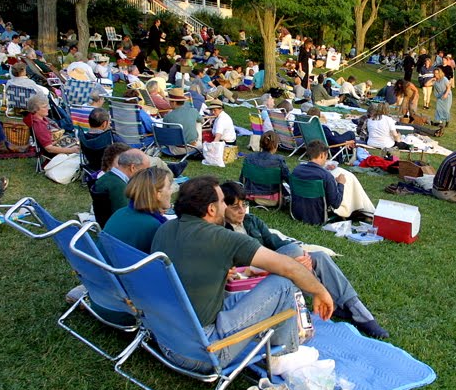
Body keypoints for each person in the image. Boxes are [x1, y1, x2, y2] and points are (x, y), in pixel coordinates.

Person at [149, 175, 334, 373]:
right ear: (211, 209)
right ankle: (284, 355)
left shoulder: (164, 229)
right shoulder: (222, 238)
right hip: (204, 353)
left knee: (274, 270)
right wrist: (319, 291)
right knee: (283, 283)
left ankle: (283, 344)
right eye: (222, 201)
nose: (224, 206)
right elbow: (287, 268)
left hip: (165, 338)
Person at [220, 181, 388, 338]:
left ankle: (356, 308)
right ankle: (331, 302)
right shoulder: (221, 231)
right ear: (222, 207)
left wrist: (302, 255)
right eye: (235, 207)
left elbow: (276, 242)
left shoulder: (252, 222)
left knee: (318, 257)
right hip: (252, 273)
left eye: (244, 204)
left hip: (278, 264)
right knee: (294, 252)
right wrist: (293, 256)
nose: (242, 210)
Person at [291, 140, 374, 224]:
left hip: (297, 212)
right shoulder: (326, 176)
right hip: (317, 216)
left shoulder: (296, 170)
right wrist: (341, 183)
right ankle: (364, 210)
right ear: (322, 155)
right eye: (326, 157)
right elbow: (336, 203)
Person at [103, 166, 173, 251]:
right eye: (169, 187)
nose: (171, 191)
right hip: (128, 264)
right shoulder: (154, 226)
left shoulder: (120, 213)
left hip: (102, 262)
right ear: (157, 194)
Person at [93, 147, 148, 214]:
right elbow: (126, 216)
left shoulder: (106, 177)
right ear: (132, 168)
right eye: (144, 171)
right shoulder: (119, 187)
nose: (146, 175)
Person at [24, 94, 78, 158]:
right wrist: (71, 150)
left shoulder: (40, 119)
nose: (48, 109)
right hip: (55, 152)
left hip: (58, 142)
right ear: (36, 110)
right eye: (44, 107)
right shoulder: (39, 125)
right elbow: (49, 148)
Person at [241, 130, 290, 199]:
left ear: (261, 143)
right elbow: (288, 179)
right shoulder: (279, 160)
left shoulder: (249, 157)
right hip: (272, 196)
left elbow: (242, 179)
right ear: (275, 145)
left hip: (250, 194)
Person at [162, 87, 201, 153]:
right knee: (198, 122)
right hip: (193, 148)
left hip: (177, 149)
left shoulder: (168, 116)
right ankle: (197, 141)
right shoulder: (193, 111)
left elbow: (166, 134)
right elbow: (201, 120)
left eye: (169, 101)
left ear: (174, 102)